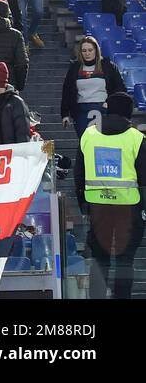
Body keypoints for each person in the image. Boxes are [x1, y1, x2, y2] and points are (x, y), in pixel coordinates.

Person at [76, 91, 146, 299]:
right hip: (129, 208)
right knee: (125, 261)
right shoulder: (137, 138)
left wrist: (83, 204)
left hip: (97, 207)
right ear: (128, 113)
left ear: (108, 109)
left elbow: (79, 173)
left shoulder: (88, 135)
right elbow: (144, 177)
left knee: (99, 261)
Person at [61, 36, 128, 137]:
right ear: (80, 52)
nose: (87, 53)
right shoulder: (75, 68)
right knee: (85, 143)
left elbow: (120, 88)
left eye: (90, 50)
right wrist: (65, 114)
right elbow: (67, 91)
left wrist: (110, 103)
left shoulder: (108, 66)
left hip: (104, 110)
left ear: (96, 50)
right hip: (81, 111)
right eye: (84, 51)